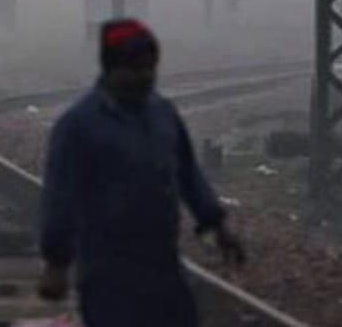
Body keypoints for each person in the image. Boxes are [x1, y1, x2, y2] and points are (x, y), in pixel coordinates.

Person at [37, 18, 245, 326]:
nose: (145, 77)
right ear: (111, 68)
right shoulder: (79, 125)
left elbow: (188, 175)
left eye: (150, 68)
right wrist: (57, 262)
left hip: (163, 264)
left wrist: (218, 224)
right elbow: (59, 197)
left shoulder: (163, 115)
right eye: (135, 69)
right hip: (106, 271)